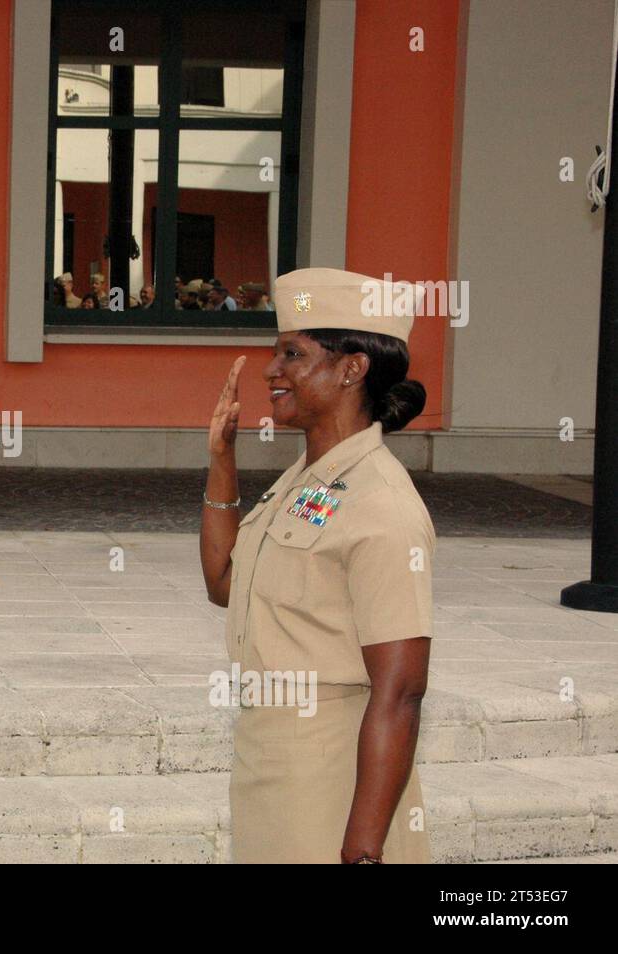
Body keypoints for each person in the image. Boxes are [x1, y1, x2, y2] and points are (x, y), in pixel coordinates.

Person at [199, 266, 434, 864]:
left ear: (352, 368)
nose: (271, 371)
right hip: (269, 760)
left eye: (292, 354)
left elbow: (402, 690)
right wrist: (223, 459)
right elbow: (224, 584)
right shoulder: (306, 481)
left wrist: (362, 849)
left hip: (329, 775)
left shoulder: (382, 502)